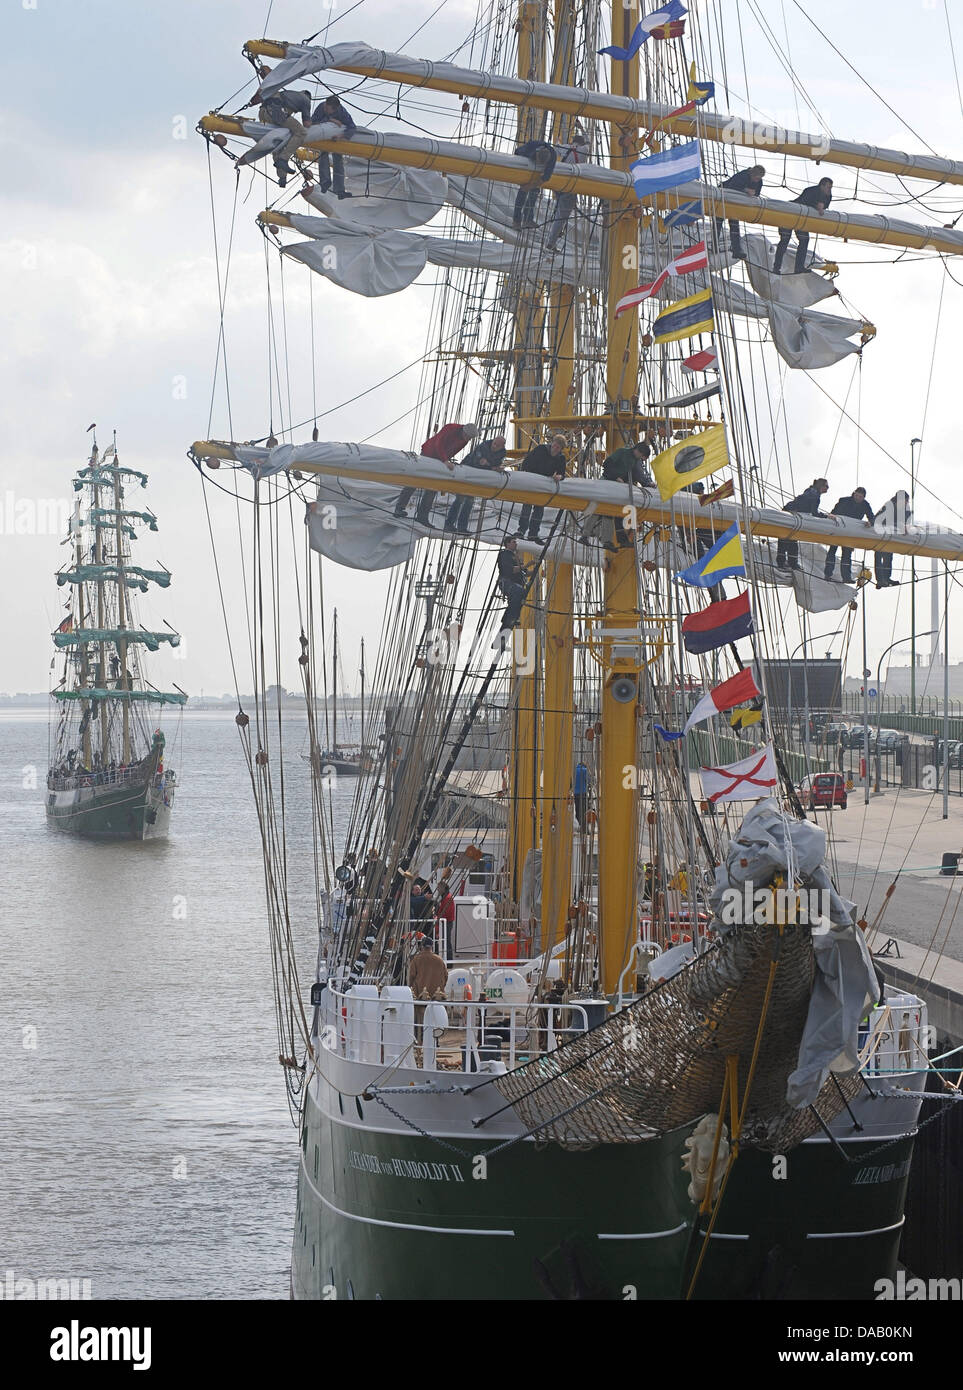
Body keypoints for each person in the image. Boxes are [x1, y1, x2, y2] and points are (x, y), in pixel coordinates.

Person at [394, 423, 477, 523]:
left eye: (470, 438)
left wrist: (446, 460)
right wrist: (445, 460)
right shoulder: (450, 429)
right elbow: (438, 443)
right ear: (464, 431)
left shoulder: (465, 440)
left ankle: (422, 516)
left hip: (440, 461)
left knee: (433, 488)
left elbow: (454, 450)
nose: (468, 439)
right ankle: (399, 508)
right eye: (467, 437)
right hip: (428, 454)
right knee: (415, 481)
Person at [252, 71, 312, 188]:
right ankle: (284, 159)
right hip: (276, 112)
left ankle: (282, 177)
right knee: (301, 132)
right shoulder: (306, 100)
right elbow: (307, 124)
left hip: (264, 113)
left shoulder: (289, 94)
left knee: (279, 142)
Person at [444, 435, 508, 533]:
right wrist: (491, 467)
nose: (494, 446)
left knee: (469, 502)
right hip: (467, 471)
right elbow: (477, 463)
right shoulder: (484, 446)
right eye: (494, 443)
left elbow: (495, 465)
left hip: (478, 478)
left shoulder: (502, 453)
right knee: (460, 499)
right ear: (493, 441)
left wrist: (490, 465)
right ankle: (448, 525)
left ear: (502, 447)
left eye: (498, 445)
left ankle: (462, 528)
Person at [772, 177, 834, 276]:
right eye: (828, 187)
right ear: (821, 186)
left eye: (831, 188)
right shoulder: (812, 191)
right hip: (789, 215)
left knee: (804, 240)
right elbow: (819, 208)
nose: (829, 190)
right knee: (785, 240)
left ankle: (799, 267)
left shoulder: (828, 195)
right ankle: (776, 267)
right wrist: (820, 204)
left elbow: (822, 209)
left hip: (801, 220)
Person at [515, 435, 567, 541]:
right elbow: (527, 461)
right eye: (555, 445)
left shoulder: (561, 458)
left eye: (558, 447)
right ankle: (521, 530)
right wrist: (528, 474)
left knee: (539, 509)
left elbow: (562, 473)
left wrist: (559, 476)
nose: (555, 448)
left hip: (544, 485)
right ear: (552, 443)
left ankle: (533, 534)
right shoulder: (541, 449)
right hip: (532, 481)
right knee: (527, 507)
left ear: (561, 449)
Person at [602, 440, 653, 546]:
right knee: (604, 511)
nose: (641, 460)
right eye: (642, 457)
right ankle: (594, 536)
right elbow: (607, 464)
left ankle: (621, 540)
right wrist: (616, 477)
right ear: (639, 452)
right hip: (608, 482)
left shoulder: (634, 460)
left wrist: (648, 484)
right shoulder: (622, 452)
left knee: (619, 512)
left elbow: (638, 474)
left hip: (618, 486)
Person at [546, 129, 589, 250]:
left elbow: (554, 149)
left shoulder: (565, 147)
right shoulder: (584, 150)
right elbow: (589, 142)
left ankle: (558, 231)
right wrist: (582, 128)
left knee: (561, 208)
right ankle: (551, 242)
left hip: (559, 184)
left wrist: (559, 140)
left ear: (573, 142)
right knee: (562, 215)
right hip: (571, 186)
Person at [775, 477, 829, 572]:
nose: (827, 488)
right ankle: (787, 563)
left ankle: (786, 563)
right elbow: (814, 513)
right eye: (826, 486)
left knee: (787, 539)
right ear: (821, 486)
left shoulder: (810, 490)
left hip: (789, 511)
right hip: (792, 515)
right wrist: (827, 516)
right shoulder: (815, 496)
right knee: (788, 539)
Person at [824, 486, 875, 583]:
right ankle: (827, 574)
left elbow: (871, 517)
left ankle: (846, 577)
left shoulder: (865, 505)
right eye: (856, 495)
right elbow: (833, 513)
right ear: (854, 493)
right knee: (832, 552)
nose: (857, 498)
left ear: (863, 497)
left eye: (860, 497)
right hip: (838, 529)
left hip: (850, 533)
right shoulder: (844, 500)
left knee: (847, 555)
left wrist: (871, 522)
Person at [310, 93, 356, 199]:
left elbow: (352, 127)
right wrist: (330, 120)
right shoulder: (321, 107)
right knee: (323, 155)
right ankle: (325, 182)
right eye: (325, 106)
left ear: (335, 109)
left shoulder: (342, 112)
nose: (325, 109)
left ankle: (339, 190)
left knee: (338, 160)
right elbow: (313, 121)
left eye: (328, 109)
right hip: (324, 137)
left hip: (337, 138)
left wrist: (341, 136)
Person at [714, 164, 765, 259]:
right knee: (718, 223)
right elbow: (731, 187)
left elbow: (757, 193)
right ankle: (714, 246)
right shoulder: (742, 175)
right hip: (722, 198)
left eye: (759, 179)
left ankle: (736, 250)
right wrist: (745, 190)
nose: (757, 181)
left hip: (735, 203)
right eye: (756, 178)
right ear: (752, 174)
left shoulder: (759, 181)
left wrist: (754, 193)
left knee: (734, 225)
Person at [512, 140, 557, 227]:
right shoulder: (528, 149)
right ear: (536, 155)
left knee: (535, 191)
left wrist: (531, 185)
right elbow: (516, 153)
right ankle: (516, 221)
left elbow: (546, 177)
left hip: (538, 174)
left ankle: (528, 219)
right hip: (526, 168)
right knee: (522, 192)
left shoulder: (552, 155)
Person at [874, 490, 911, 587]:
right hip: (881, 535)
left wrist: (905, 526)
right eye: (906, 501)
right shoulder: (889, 506)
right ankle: (880, 580)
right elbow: (878, 518)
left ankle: (886, 578)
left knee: (888, 558)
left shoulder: (905, 509)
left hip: (891, 537)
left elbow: (906, 521)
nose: (907, 503)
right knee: (879, 557)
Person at [496, 535, 528, 632]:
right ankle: (509, 619)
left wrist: (533, 569)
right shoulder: (504, 554)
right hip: (507, 583)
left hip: (515, 584)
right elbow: (510, 570)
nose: (516, 544)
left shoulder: (515, 557)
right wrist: (526, 565)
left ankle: (510, 619)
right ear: (508, 543)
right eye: (514, 542)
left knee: (519, 597)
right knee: (519, 592)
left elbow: (524, 572)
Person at [434, 881, 456, 957]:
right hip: (445, 922)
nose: (437, 889)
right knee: (445, 941)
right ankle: (447, 959)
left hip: (447, 923)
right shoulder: (446, 897)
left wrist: (438, 917)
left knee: (446, 941)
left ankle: (449, 961)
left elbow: (447, 912)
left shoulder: (447, 898)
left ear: (443, 888)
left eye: (438, 887)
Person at [573, 761, 589, 830]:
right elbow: (588, 780)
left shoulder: (574, 771)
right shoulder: (585, 771)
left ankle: (579, 824)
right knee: (584, 809)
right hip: (583, 793)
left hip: (576, 794)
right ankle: (584, 826)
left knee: (577, 809)